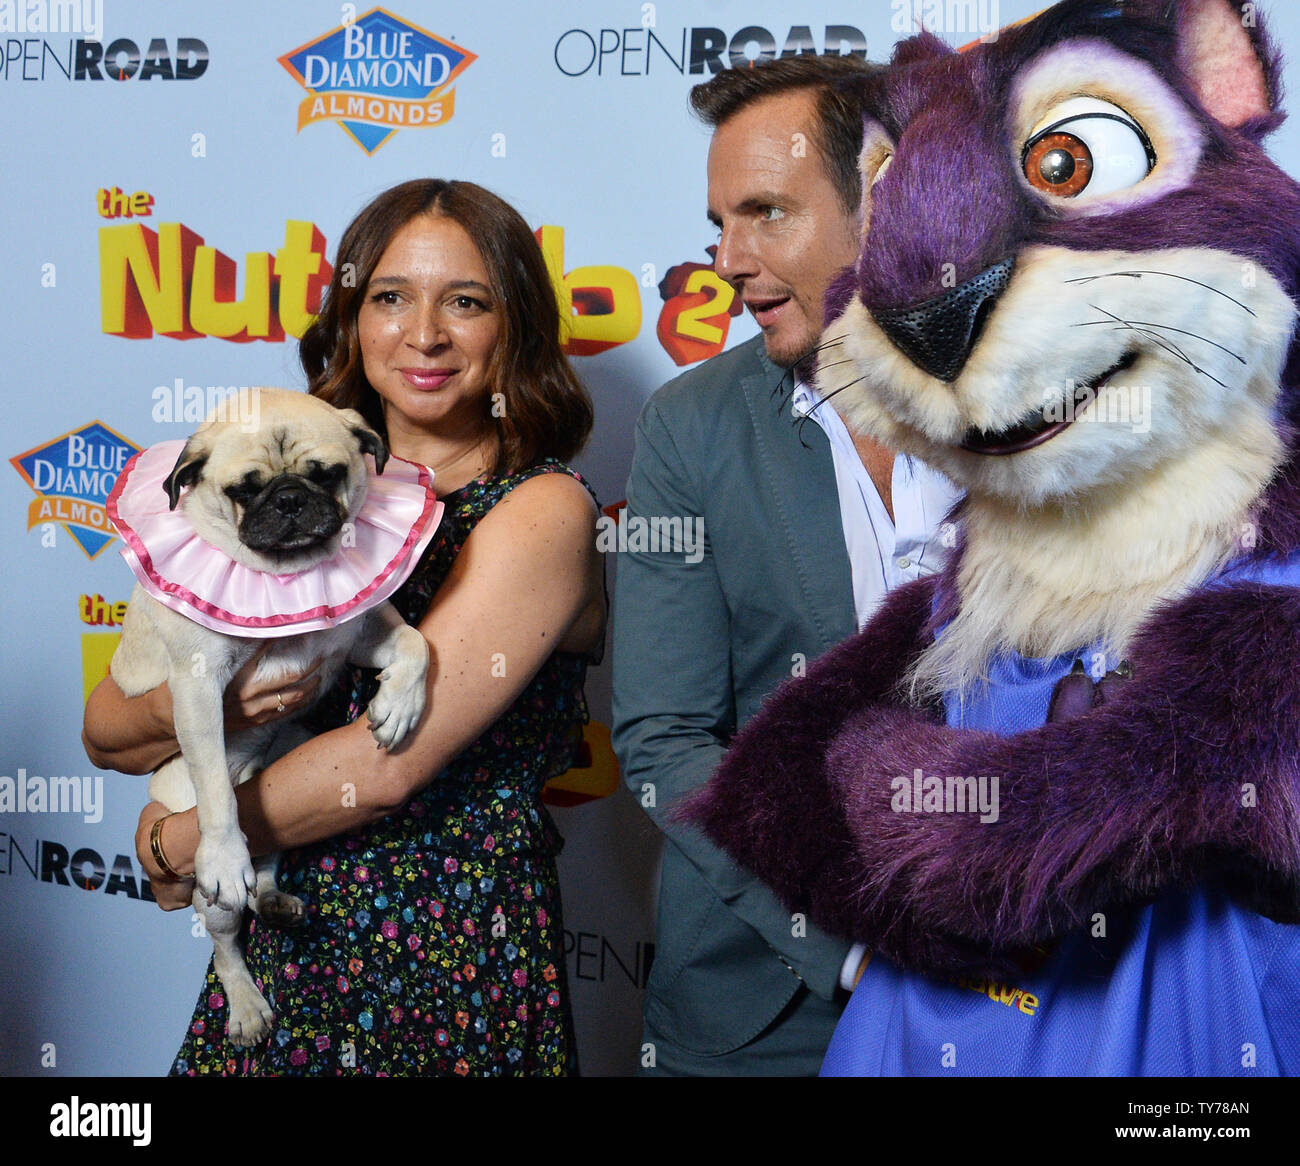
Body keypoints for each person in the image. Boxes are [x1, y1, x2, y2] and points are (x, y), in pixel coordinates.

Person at [82, 178, 606, 1077]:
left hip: (444, 945)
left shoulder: (539, 510)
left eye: (467, 302)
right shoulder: (271, 469)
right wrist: (224, 711)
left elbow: (382, 769)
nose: (425, 334)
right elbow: (108, 729)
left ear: (513, 323)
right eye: (391, 297)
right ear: (352, 317)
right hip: (285, 927)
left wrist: (186, 840)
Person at [611, 56, 961, 1075]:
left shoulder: (1036, 409)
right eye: (719, 222)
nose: (728, 257)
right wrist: (850, 951)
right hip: (761, 1006)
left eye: (767, 213)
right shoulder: (689, 425)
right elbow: (665, 736)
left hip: (1034, 979)